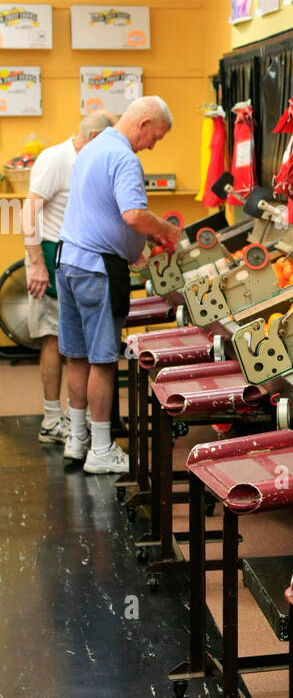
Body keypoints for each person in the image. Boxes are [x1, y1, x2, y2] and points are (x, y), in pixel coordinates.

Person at [57, 96, 182, 474]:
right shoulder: (125, 157)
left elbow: (101, 211)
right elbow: (133, 214)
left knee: (77, 356)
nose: (152, 145)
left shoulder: (93, 148)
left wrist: (134, 251)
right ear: (144, 124)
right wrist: (165, 231)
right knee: (104, 361)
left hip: (69, 262)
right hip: (97, 269)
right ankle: (100, 449)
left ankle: (77, 439)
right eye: (155, 137)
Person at [24, 112, 116, 446]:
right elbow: (29, 210)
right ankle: (51, 419)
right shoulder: (56, 159)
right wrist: (36, 263)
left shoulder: (91, 160)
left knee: (80, 345)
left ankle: (83, 417)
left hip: (78, 258)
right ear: (94, 137)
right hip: (49, 255)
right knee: (52, 337)